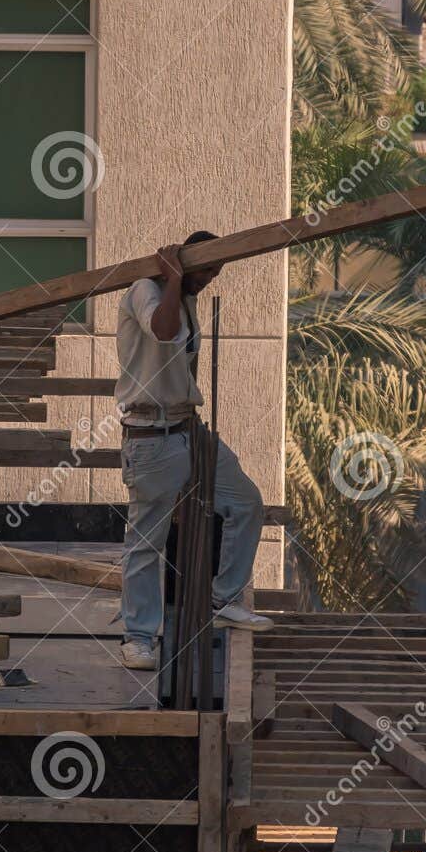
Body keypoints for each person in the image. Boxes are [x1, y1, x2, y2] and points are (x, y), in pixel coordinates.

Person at [114, 231, 273, 670]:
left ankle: (222, 600)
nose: (208, 280)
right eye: (204, 270)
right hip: (151, 433)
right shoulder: (146, 291)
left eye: (215, 273)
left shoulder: (184, 296)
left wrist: (181, 283)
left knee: (246, 503)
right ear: (185, 262)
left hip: (188, 427)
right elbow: (163, 334)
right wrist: (172, 279)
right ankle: (138, 637)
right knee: (147, 541)